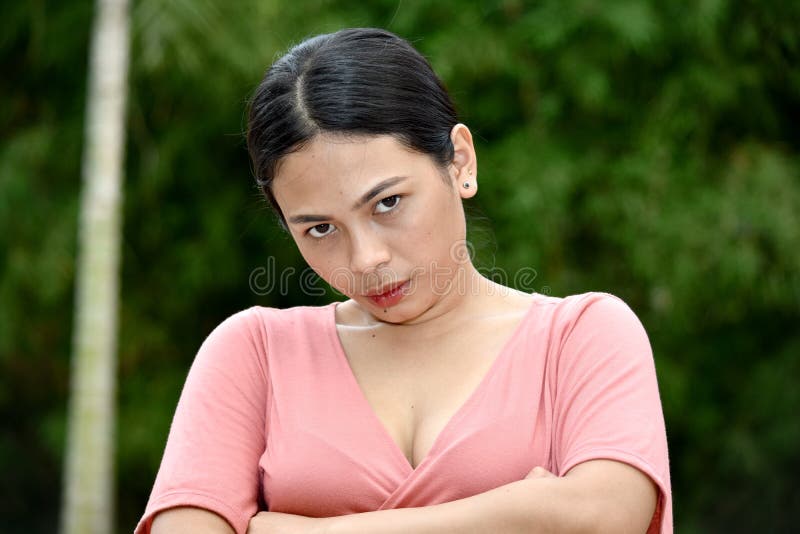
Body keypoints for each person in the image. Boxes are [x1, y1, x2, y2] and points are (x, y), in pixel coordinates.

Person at [135, 27, 672, 534]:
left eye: (387, 203)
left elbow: (605, 515)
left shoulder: (582, 336)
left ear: (460, 161)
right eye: (321, 228)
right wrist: (528, 512)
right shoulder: (253, 354)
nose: (365, 258)